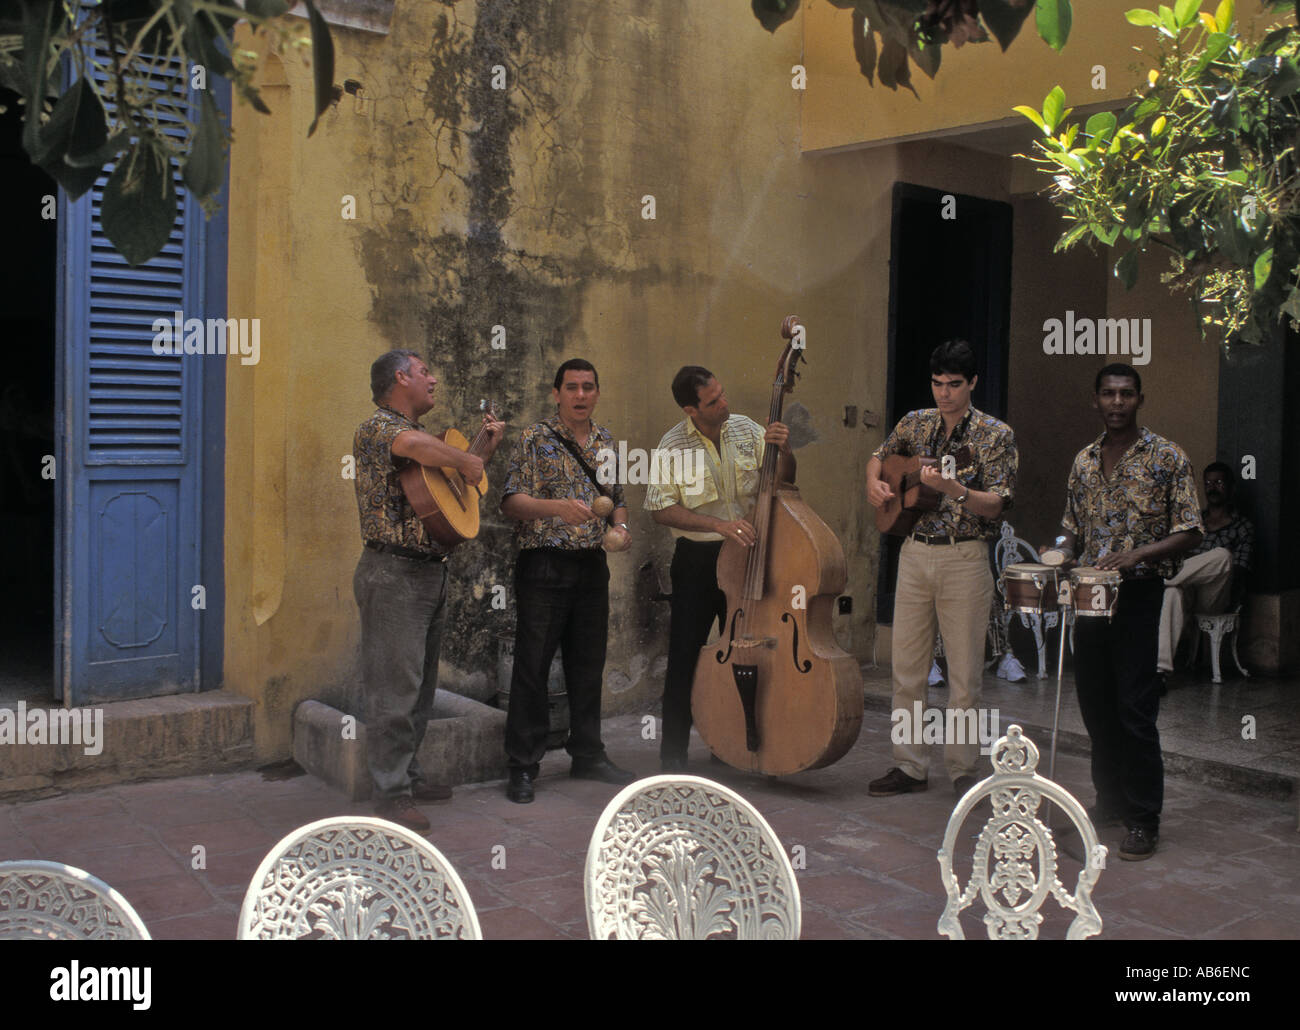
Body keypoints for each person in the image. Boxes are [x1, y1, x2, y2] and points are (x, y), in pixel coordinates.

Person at [1047, 363, 1202, 861]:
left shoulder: (1166, 457)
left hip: (1138, 594)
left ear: (1140, 399)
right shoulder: (1084, 461)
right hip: (1091, 597)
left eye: (1126, 394)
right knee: (1095, 706)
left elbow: (1192, 530)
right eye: (1109, 394)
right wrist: (1060, 553)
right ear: (1095, 399)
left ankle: (1143, 818)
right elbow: (1071, 525)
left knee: (1136, 710)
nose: (1117, 402)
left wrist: (1137, 554)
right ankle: (1108, 801)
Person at [353, 349, 505, 832]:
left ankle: (408, 776)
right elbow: (419, 449)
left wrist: (481, 453)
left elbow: (454, 496)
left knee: (419, 689)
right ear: (400, 378)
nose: (433, 380)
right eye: (423, 372)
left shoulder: (420, 442)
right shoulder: (379, 428)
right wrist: (466, 458)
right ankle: (390, 793)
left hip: (428, 571)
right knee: (393, 690)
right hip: (392, 574)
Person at [864, 340, 1017, 800]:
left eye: (954, 384)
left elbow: (998, 505)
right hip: (914, 552)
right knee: (906, 669)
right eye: (937, 383)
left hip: (964, 556)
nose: (944, 393)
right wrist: (874, 482)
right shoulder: (915, 422)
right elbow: (880, 456)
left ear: (972, 383)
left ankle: (963, 769)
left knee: (964, 674)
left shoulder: (995, 435)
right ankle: (909, 766)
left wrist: (954, 489)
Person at [643, 366, 795, 771]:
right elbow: (660, 508)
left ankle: (730, 745)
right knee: (685, 655)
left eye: (723, 394)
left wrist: (784, 449)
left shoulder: (747, 429)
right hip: (697, 559)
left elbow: (781, 481)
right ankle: (672, 755)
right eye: (713, 401)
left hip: (748, 556)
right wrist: (718, 525)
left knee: (744, 651)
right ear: (691, 409)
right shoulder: (671, 446)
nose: (724, 403)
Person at [500, 358, 636, 803]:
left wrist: (621, 527)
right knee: (532, 668)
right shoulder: (533, 439)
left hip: (591, 566)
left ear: (598, 393)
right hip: (544, 564)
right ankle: (522, 765)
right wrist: (555, 507)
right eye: (572, 387)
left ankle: (588, 754)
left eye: (588, 387)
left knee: (587, 666)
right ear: (556, 393)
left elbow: (617, 499)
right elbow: (511, 502)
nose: (580, 395)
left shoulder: (606, 442)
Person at [1157, 461, 1254, 683]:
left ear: (1231, 487)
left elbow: (1239, 569)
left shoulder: (1242, 526)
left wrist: (1203, 567)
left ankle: (1162, 579)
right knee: (1172, 593)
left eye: (1219, 482)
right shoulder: (1193, 522)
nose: (1212, 487)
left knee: (1222, 556)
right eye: (1208, 483)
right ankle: (1159, 672)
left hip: (1215, 593)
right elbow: (1176, 553)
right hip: (1186, 587)